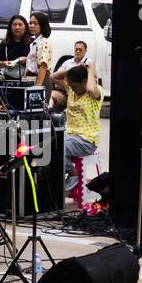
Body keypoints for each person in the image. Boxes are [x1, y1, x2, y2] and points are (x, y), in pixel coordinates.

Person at [51, 62, 103, 192]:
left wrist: (90, 70)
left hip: (86, 140)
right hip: (70, 135)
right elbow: (52, 77)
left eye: (74, 86)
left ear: (84, 81)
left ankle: (74, 174)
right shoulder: (71, 90)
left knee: (58, 146)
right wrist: (72, 69)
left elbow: (90, 89)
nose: (71, 89)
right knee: (47, 144)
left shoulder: (95, 92)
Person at [0, 15, 32, 81]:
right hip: (8, 80)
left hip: (28, 79)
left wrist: (27, 60)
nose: (17, 27)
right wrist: (4, 64)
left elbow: (39, 62)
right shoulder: (5, 43)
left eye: (20, 25)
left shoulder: (32, 43)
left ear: (25, 27)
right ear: (10, 27)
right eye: (14, 25)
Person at [26, 11, 53, 89]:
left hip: (42, 80)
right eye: (30, 23)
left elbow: (43, 67)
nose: (31, 26)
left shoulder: (44, 42)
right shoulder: (35, 42)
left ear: (42, 25)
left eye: (35, 23)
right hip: (32, 79)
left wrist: (37, 87)